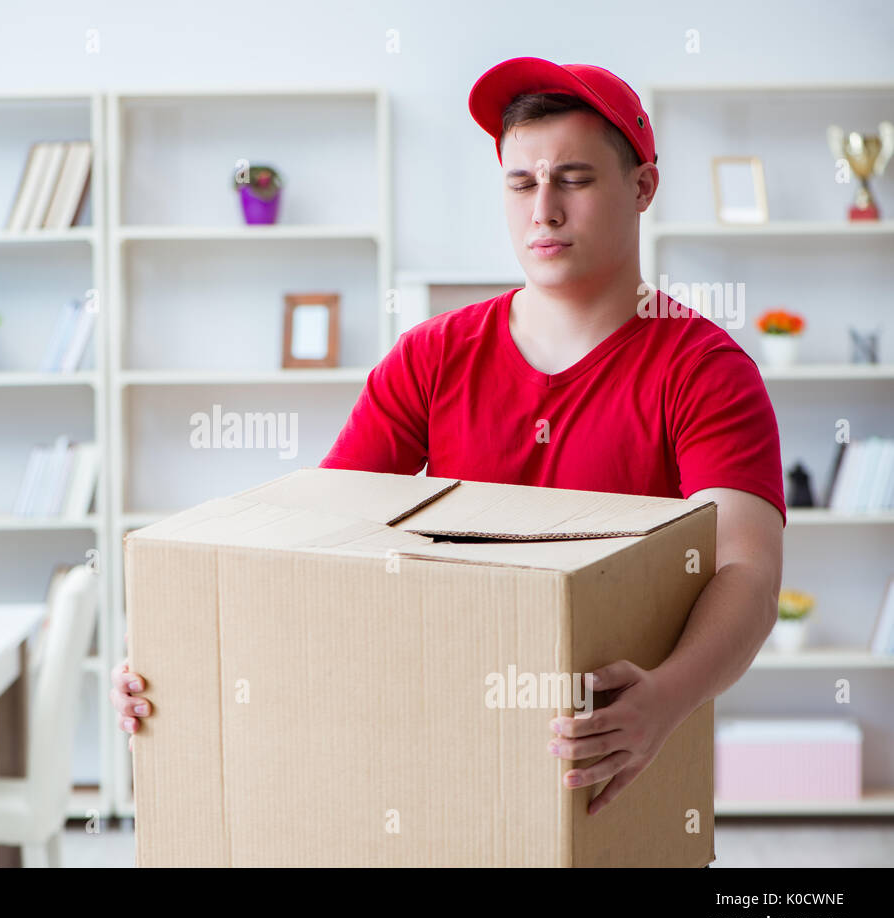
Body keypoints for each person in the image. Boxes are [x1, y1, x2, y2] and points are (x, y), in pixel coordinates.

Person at [111, 57, 785, 818]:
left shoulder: (704, 370)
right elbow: (312, 546)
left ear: (642, 188)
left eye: (575, 179)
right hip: (441, 756)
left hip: (617, 765)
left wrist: (664, 699)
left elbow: (747, 574)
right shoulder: (431, 357)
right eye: (521, 183)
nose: (544, 211)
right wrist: (186, 665)